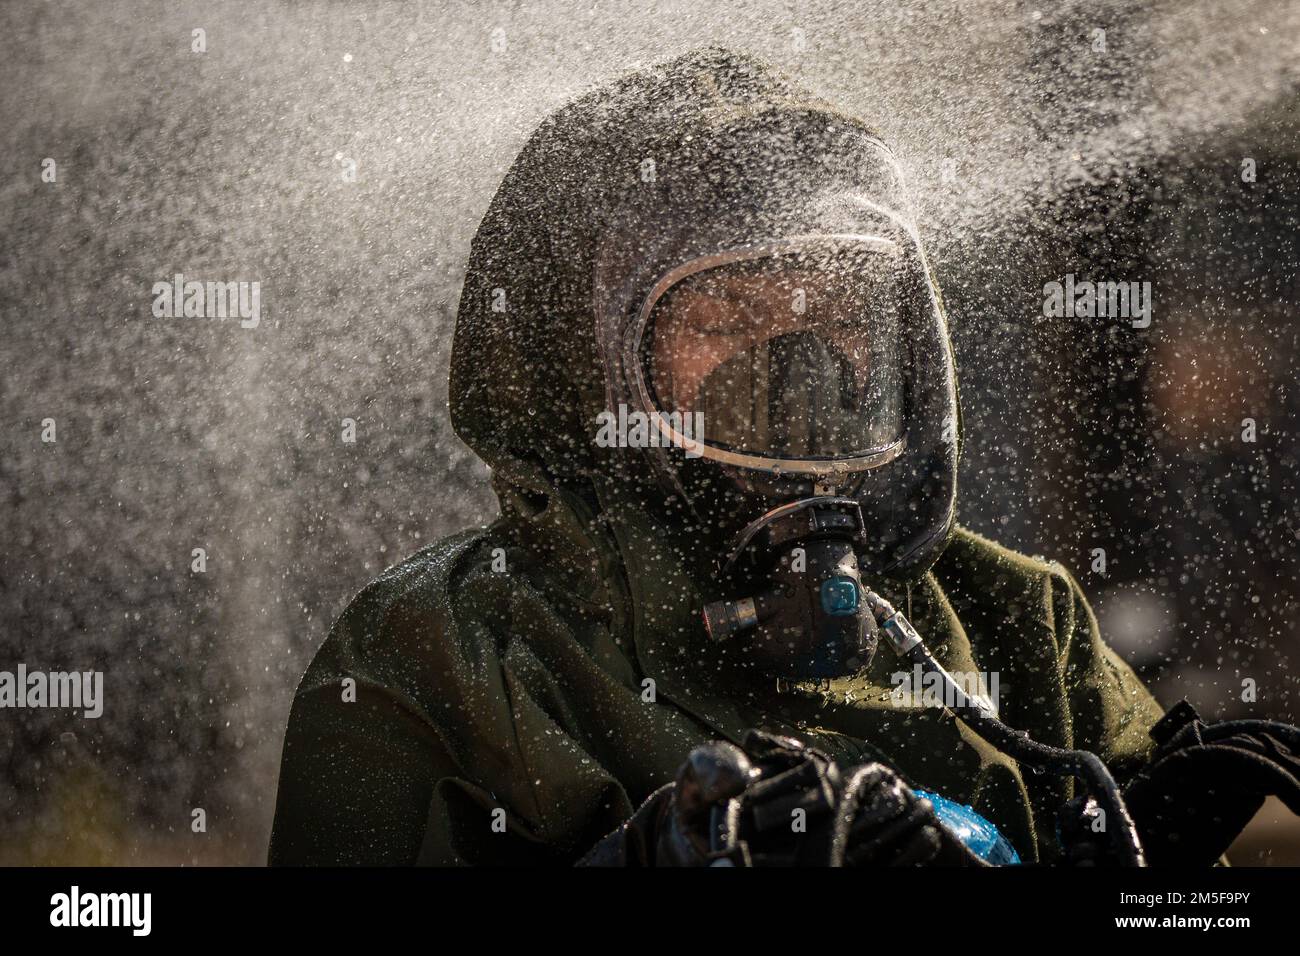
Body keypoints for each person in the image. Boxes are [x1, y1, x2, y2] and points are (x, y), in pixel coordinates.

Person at [268, 47, 1170, 866]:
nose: (795, 367)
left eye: (840, 316)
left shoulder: (1024, 619)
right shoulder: (433, 656)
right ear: (591, 362)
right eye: (728, 318)